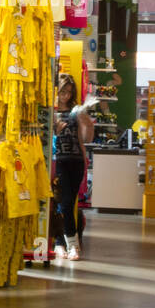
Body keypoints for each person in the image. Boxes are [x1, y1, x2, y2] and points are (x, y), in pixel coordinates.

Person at [52, 74, 92, 260]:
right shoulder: (51, 111)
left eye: (69, 92)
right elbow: (46, 138)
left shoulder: (77, 111)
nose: (65, 96)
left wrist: (87, 124)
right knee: (63, 203)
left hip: (75, 161)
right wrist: (55, 132)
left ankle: (61, 243)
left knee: (67, 203)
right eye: (63, 91)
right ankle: (71, 245)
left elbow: (86, 139)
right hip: (57, 160)